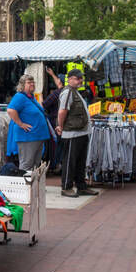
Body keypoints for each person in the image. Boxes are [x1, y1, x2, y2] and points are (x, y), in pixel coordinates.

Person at [55, 69, 97, 197]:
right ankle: (66, 187)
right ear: (71, 79)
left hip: (81, 132)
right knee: (70, 161)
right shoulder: (67, 92)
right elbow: (62, 111)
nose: (80, 81)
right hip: (72, 133)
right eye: (78, 78)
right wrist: (60, 126)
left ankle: (81, 186)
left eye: (81, 78)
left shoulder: (74, 92)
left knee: (80, 162)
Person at [6, 74, 50, 172]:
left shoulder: (30, 97)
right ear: (22, 84)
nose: (32, 84)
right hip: (28, 137)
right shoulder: (19, 97)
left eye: (33, 82)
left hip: (36, 136)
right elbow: (10, 110)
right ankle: (24, 187)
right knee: (27, 164)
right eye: (29, 82)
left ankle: (32, 187)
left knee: (35, 164)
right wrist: (21, 124)